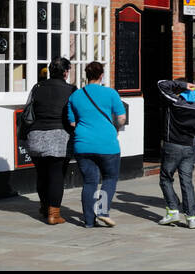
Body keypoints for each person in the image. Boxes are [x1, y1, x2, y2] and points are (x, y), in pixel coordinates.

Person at [66, 61, 126, 228]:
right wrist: (115, 128)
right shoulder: (111, 93)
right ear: (101, 75)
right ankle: (102, 210)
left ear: (87, 75)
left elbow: (72, 123)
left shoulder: (75, 96)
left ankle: (89, 221)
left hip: (83, 144)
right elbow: (121, 118)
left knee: (89, 182)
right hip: (107, 144)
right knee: (110, 178)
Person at [24, 56, 74, 225]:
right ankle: (54, 213)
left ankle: (44, 207)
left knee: (42, 174)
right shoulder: (71, 90)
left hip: (35, 135)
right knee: (56, 175)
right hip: (59, 137)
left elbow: (27, 111)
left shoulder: (37, 87)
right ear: (66, 72)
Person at [155, 77, 195, 228]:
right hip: (188, 147)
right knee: (187, 181)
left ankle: (172, 210)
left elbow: (161, 84)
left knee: (165, 178)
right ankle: (191, 217)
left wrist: (183, 84)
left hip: (172, 145)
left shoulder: (174, 102)